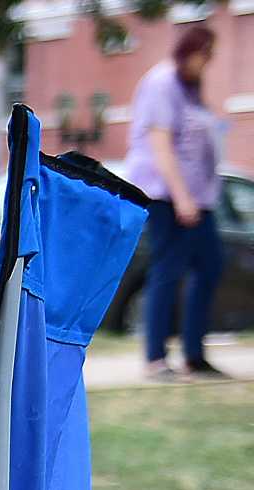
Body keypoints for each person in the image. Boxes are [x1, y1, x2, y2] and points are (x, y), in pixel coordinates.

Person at [124, 25, 229, 382]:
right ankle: (155, 359)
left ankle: (194, 356)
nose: (208, 63)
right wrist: (182, 196)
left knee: (211, 265)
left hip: (199, 198)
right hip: (168, 196)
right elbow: (161, 145)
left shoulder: (191, 89)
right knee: (167, 271)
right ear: (190, 51)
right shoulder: (161, 83)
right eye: (206, 55)